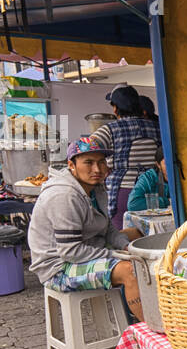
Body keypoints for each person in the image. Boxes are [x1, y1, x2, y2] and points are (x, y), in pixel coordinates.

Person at [28, 140, 145, 321]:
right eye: (88, 163)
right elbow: (71, 252)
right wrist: (118, 255)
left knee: (137, 237)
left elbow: (108, 229)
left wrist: (127, 247)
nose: (97, 169)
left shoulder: (95, 188)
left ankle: (140, 311)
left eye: (101, 162)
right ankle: (151, 337)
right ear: (71, 165)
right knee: (129, 270)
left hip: (85, 249)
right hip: (59, 268)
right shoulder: (64, 195)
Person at [88, 85, 161, 230]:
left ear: (115, 108)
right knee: (154, 234)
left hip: (123, 192)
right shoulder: (157, 127)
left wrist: (104, 166)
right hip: (154, 190)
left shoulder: (110, 129)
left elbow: (87, 148)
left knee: (123, 237)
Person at [123, 146, 170, 228]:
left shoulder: (184, 176)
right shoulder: (148, 178)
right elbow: (133, 204)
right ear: (158, 165)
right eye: (167, 163)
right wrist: (168, 202)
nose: (171, 167)